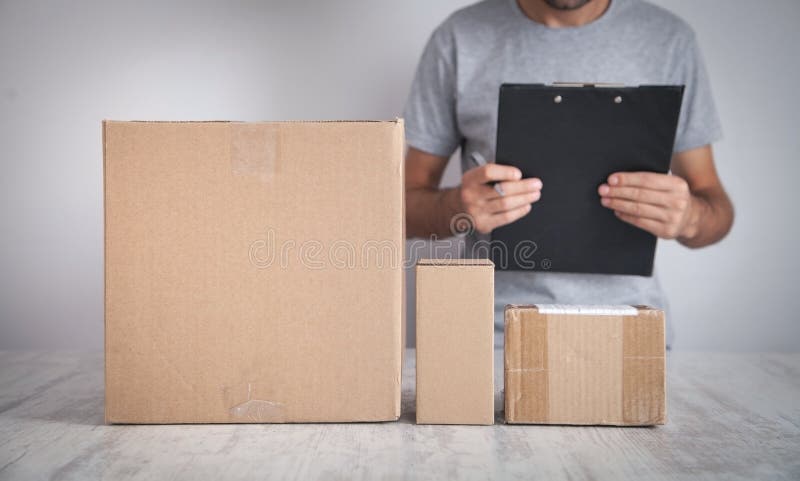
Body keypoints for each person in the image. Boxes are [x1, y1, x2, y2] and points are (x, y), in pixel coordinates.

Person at [403, 0, 734, 346]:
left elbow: (716, 208)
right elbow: (403, 210)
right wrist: (457, 206)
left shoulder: (669, 39)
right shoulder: (458, 37)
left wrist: (689, 218)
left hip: (632, 334)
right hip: (494, 338)